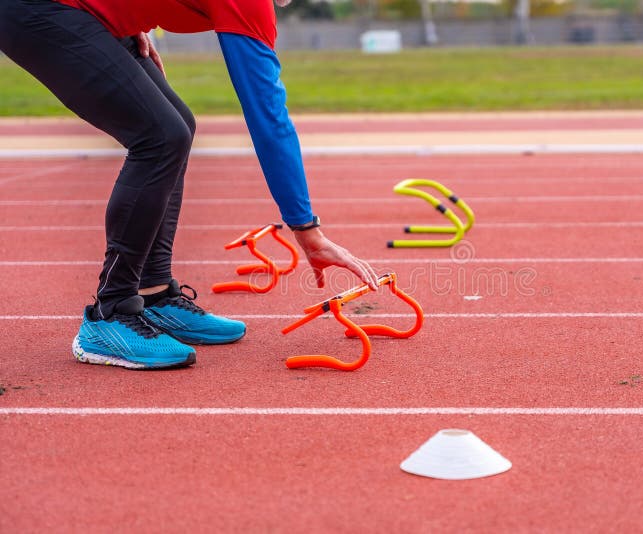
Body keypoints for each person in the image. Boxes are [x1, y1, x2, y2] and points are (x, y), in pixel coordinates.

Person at [0, 0, 380, 370]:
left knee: (177, 127)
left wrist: (131, 20)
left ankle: (153, 293)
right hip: (38, 8)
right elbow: (268, 118)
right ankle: (109, 314)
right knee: (160, 137)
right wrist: (307, 230)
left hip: (89, 12)